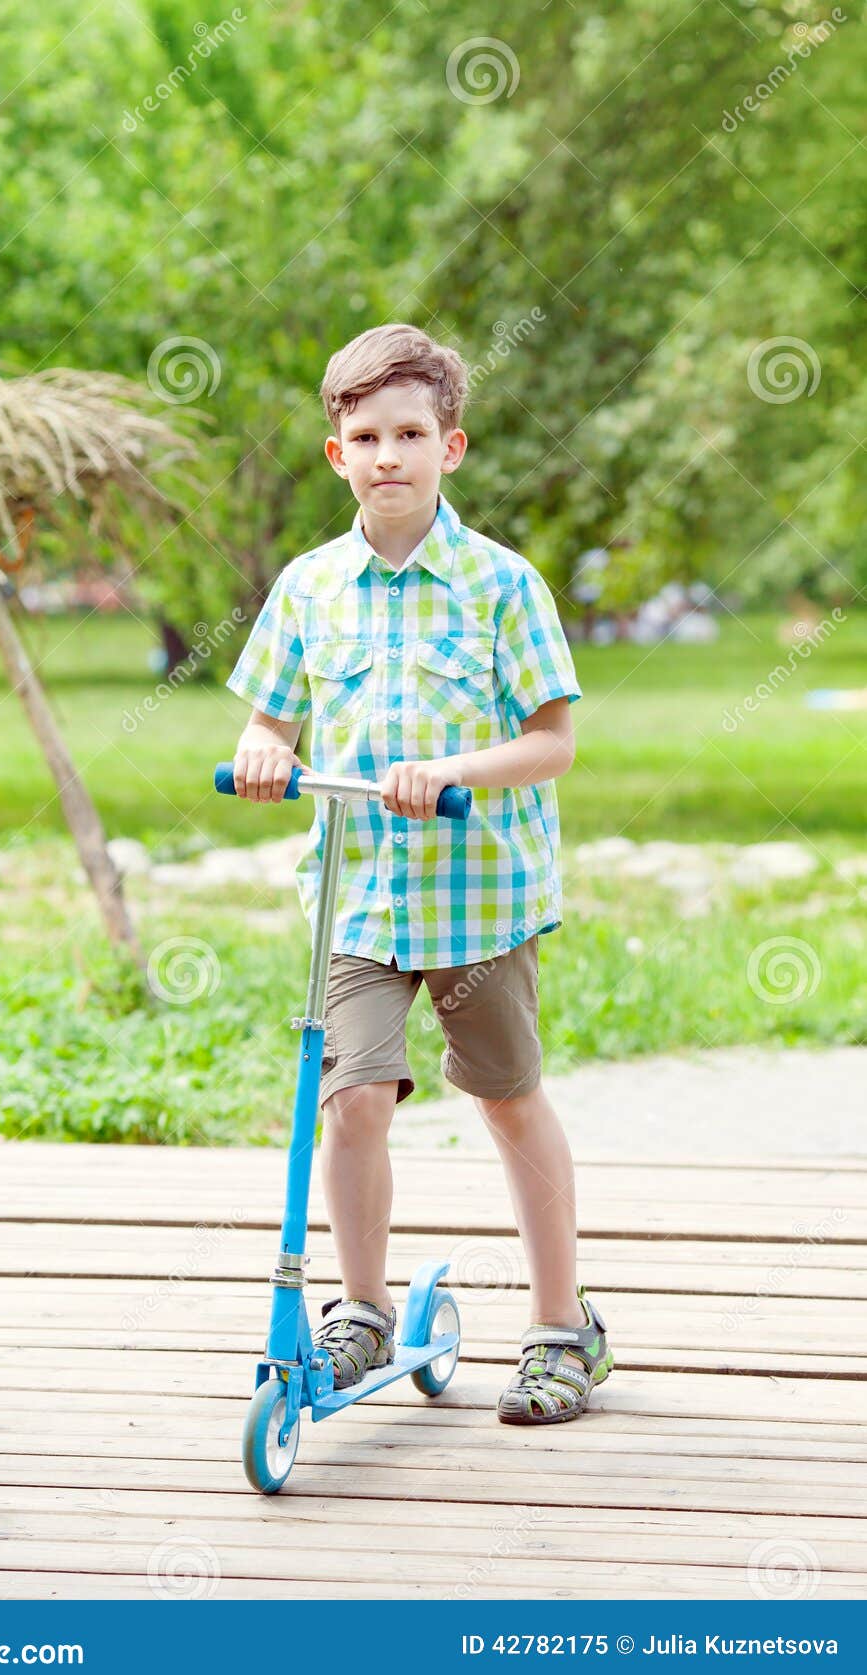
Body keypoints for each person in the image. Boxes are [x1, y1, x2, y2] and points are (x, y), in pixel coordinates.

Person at [225, 323, 613, 1425]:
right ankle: (358, 1308)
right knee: (348, 1101)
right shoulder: (308, 587)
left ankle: (557, 1326)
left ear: (451, 445)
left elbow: (551, 741)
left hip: (478, 894)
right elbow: (272, 712)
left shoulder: (500, 585)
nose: (387, 452)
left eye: (409, 432)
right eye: (364, 434)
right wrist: (265, 746)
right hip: (355, 896)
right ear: (336, 452)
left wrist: (450, 769)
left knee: (505, 1097)